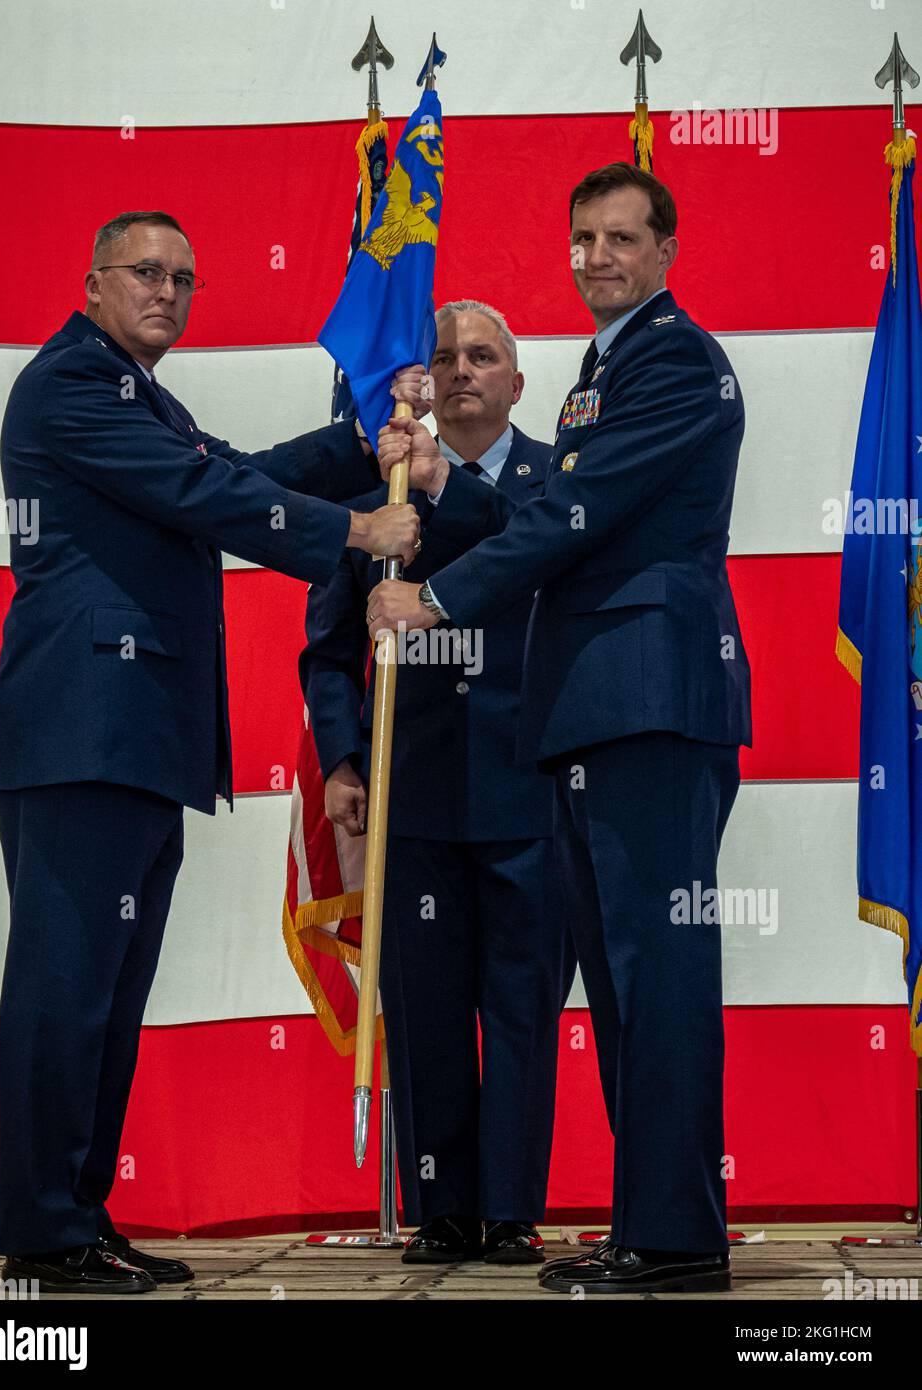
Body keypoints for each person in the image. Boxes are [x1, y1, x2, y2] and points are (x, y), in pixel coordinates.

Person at [0, 209, 419, 1294]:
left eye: (185, 277)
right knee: (67, 986)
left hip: (139, 732)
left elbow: (229, 466)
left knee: (109, 990)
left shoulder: (141, 396)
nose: (168, 292)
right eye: (146, 272)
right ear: (91, 282)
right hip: (85, 727)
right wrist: (357, 531)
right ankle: (43, 1229)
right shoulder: (69, 386)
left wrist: (358, 445)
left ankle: (77, 1215)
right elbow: (204, 495)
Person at [366, 164, 752, 1294]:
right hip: (593, 706)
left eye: (620, 238)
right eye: (581, 237)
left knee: (654, 969)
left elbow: (581, 512)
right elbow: (554, 509)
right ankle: (655, 1222)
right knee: (625, 978)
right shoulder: (606, 365)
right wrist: (448, 485)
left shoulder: (674, 358)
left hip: (649, 698)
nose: (595, 257)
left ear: (665, 251)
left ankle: (675, 1235)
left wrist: (434, 597)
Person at [301, 301, 574, 1265]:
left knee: (521, 1009)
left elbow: (529, 544)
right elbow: (330, 644)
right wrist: (340, 755)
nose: (462, 370)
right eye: (446, 355)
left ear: (517, 380)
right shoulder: (384, 492)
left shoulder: (558, 478)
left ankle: (508, 1212)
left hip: (530, 786)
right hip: (412, 784)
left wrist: (437, 488)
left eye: (484, 355)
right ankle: (441, 1209)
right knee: (422, 1009)